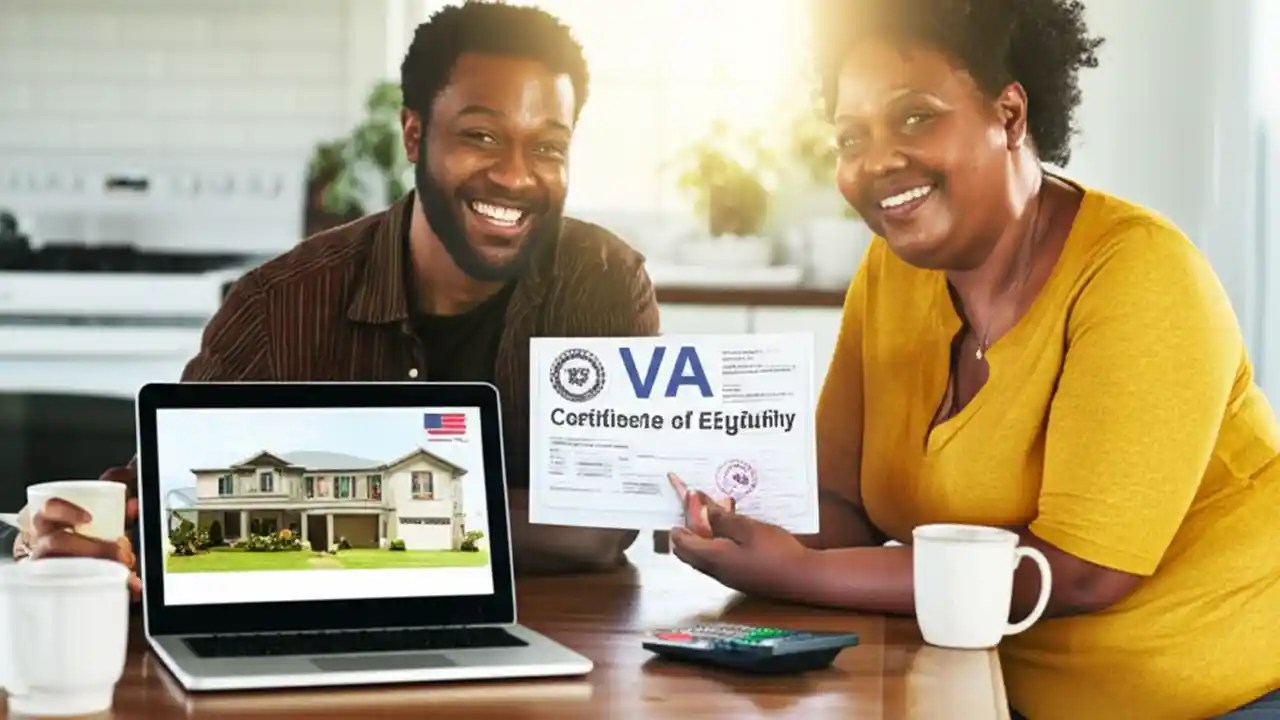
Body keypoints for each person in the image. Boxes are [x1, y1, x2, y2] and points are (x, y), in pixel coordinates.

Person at [666, 1, 1280, 718]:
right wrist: (736, 524)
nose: (877, 161)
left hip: (1223, 687)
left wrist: (800, 572)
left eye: (916, 116)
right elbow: (842, 505)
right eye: (850, 136)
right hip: (988, 690)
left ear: (1010, 114)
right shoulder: (892, 271)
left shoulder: (1140, 273)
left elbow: (1082, 573)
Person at [15, 2, 655, 585]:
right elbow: (165, 506)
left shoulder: (600, 279)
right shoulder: (277, 305)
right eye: (480, 136)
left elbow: (598, 528)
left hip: (560, 660)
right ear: (413, 135)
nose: (516, 174)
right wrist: (74, 534)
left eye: (547, 146)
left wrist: (301, 519)